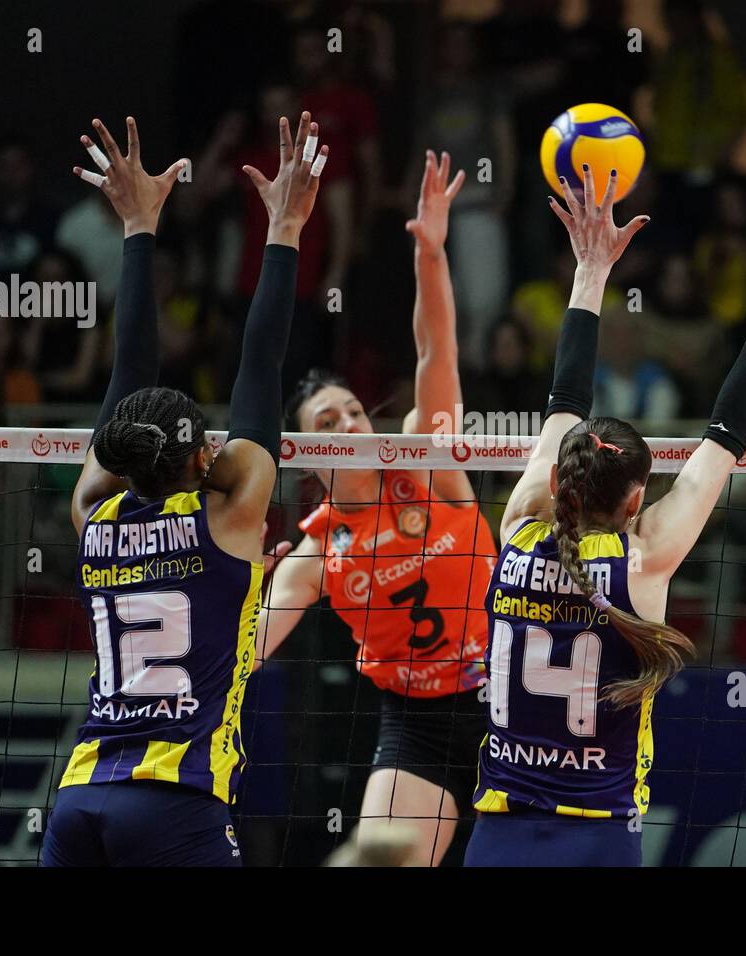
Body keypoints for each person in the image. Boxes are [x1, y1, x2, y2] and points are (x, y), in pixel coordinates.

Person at [465, 164, 746, 866]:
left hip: (499, 834)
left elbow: (564, 398)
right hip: (597, 836)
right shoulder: (644, 562)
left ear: (559, 479)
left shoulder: (520, 523)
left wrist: (589, 271)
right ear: (638, 499)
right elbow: (725, 440)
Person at [40, 113, 327, 866]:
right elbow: (259, 366)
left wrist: (139, 226)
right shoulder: (232, 517)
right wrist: (287, 227)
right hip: (177, 805)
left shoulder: (92, 515)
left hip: (78, 798)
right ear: (204, 458)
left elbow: (127, 374)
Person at [255, 151, 496, 867]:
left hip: (506, 705)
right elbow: (244, 652)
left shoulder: (428, 466)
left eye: (354, 411)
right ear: (305, 453)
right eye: (327, 424)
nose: (350, 425)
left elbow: (435, 354)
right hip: (415, 723)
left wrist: (430, 251)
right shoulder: (314, 552)